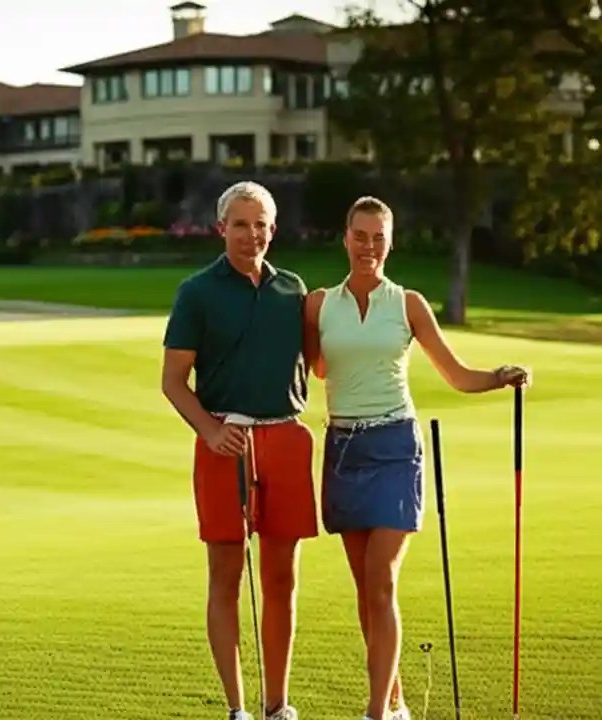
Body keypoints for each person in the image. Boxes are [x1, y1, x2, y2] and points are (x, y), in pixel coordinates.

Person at [302, 196, 530, 720]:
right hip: (343, 452)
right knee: (366, 591)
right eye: (361, 236)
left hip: (395, 449)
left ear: (390, 242)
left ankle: (375, 713)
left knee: (381, 579)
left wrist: (499, 377)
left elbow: (456, 374)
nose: (369, 246)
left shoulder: (408, 304)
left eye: (379, 237)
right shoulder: (318, 305)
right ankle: (396, 700)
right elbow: (314, 369)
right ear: (345, 238)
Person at [162, 181, 317, 720]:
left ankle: (278, 705)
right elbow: (174, 381)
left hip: (287, 438)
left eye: (261, 225)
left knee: (281, 578)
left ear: (273, 229)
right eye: (241, 224)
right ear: (220, 228)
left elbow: (318, 360)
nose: (252, 234)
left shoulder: (293, 289)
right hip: (225, 442)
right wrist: (208, 430)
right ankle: (238, 708)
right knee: (226, 576)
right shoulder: (197, 292)